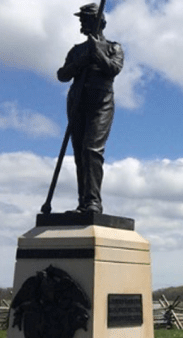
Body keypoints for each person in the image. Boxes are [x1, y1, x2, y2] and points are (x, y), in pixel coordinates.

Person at [57, 3, 124, 214]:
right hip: (77, 102)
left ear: (98, 22)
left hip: (101, 103)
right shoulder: (77, 50)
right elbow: (62, 75)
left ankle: (94, 202)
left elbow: (113, 69)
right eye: (81, 20)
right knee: (79, 154)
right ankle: (83, 203)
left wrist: (97, 53)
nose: (82, 23)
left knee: (91, 150)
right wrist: (83, 60)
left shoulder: (114, 48)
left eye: (85, 20)